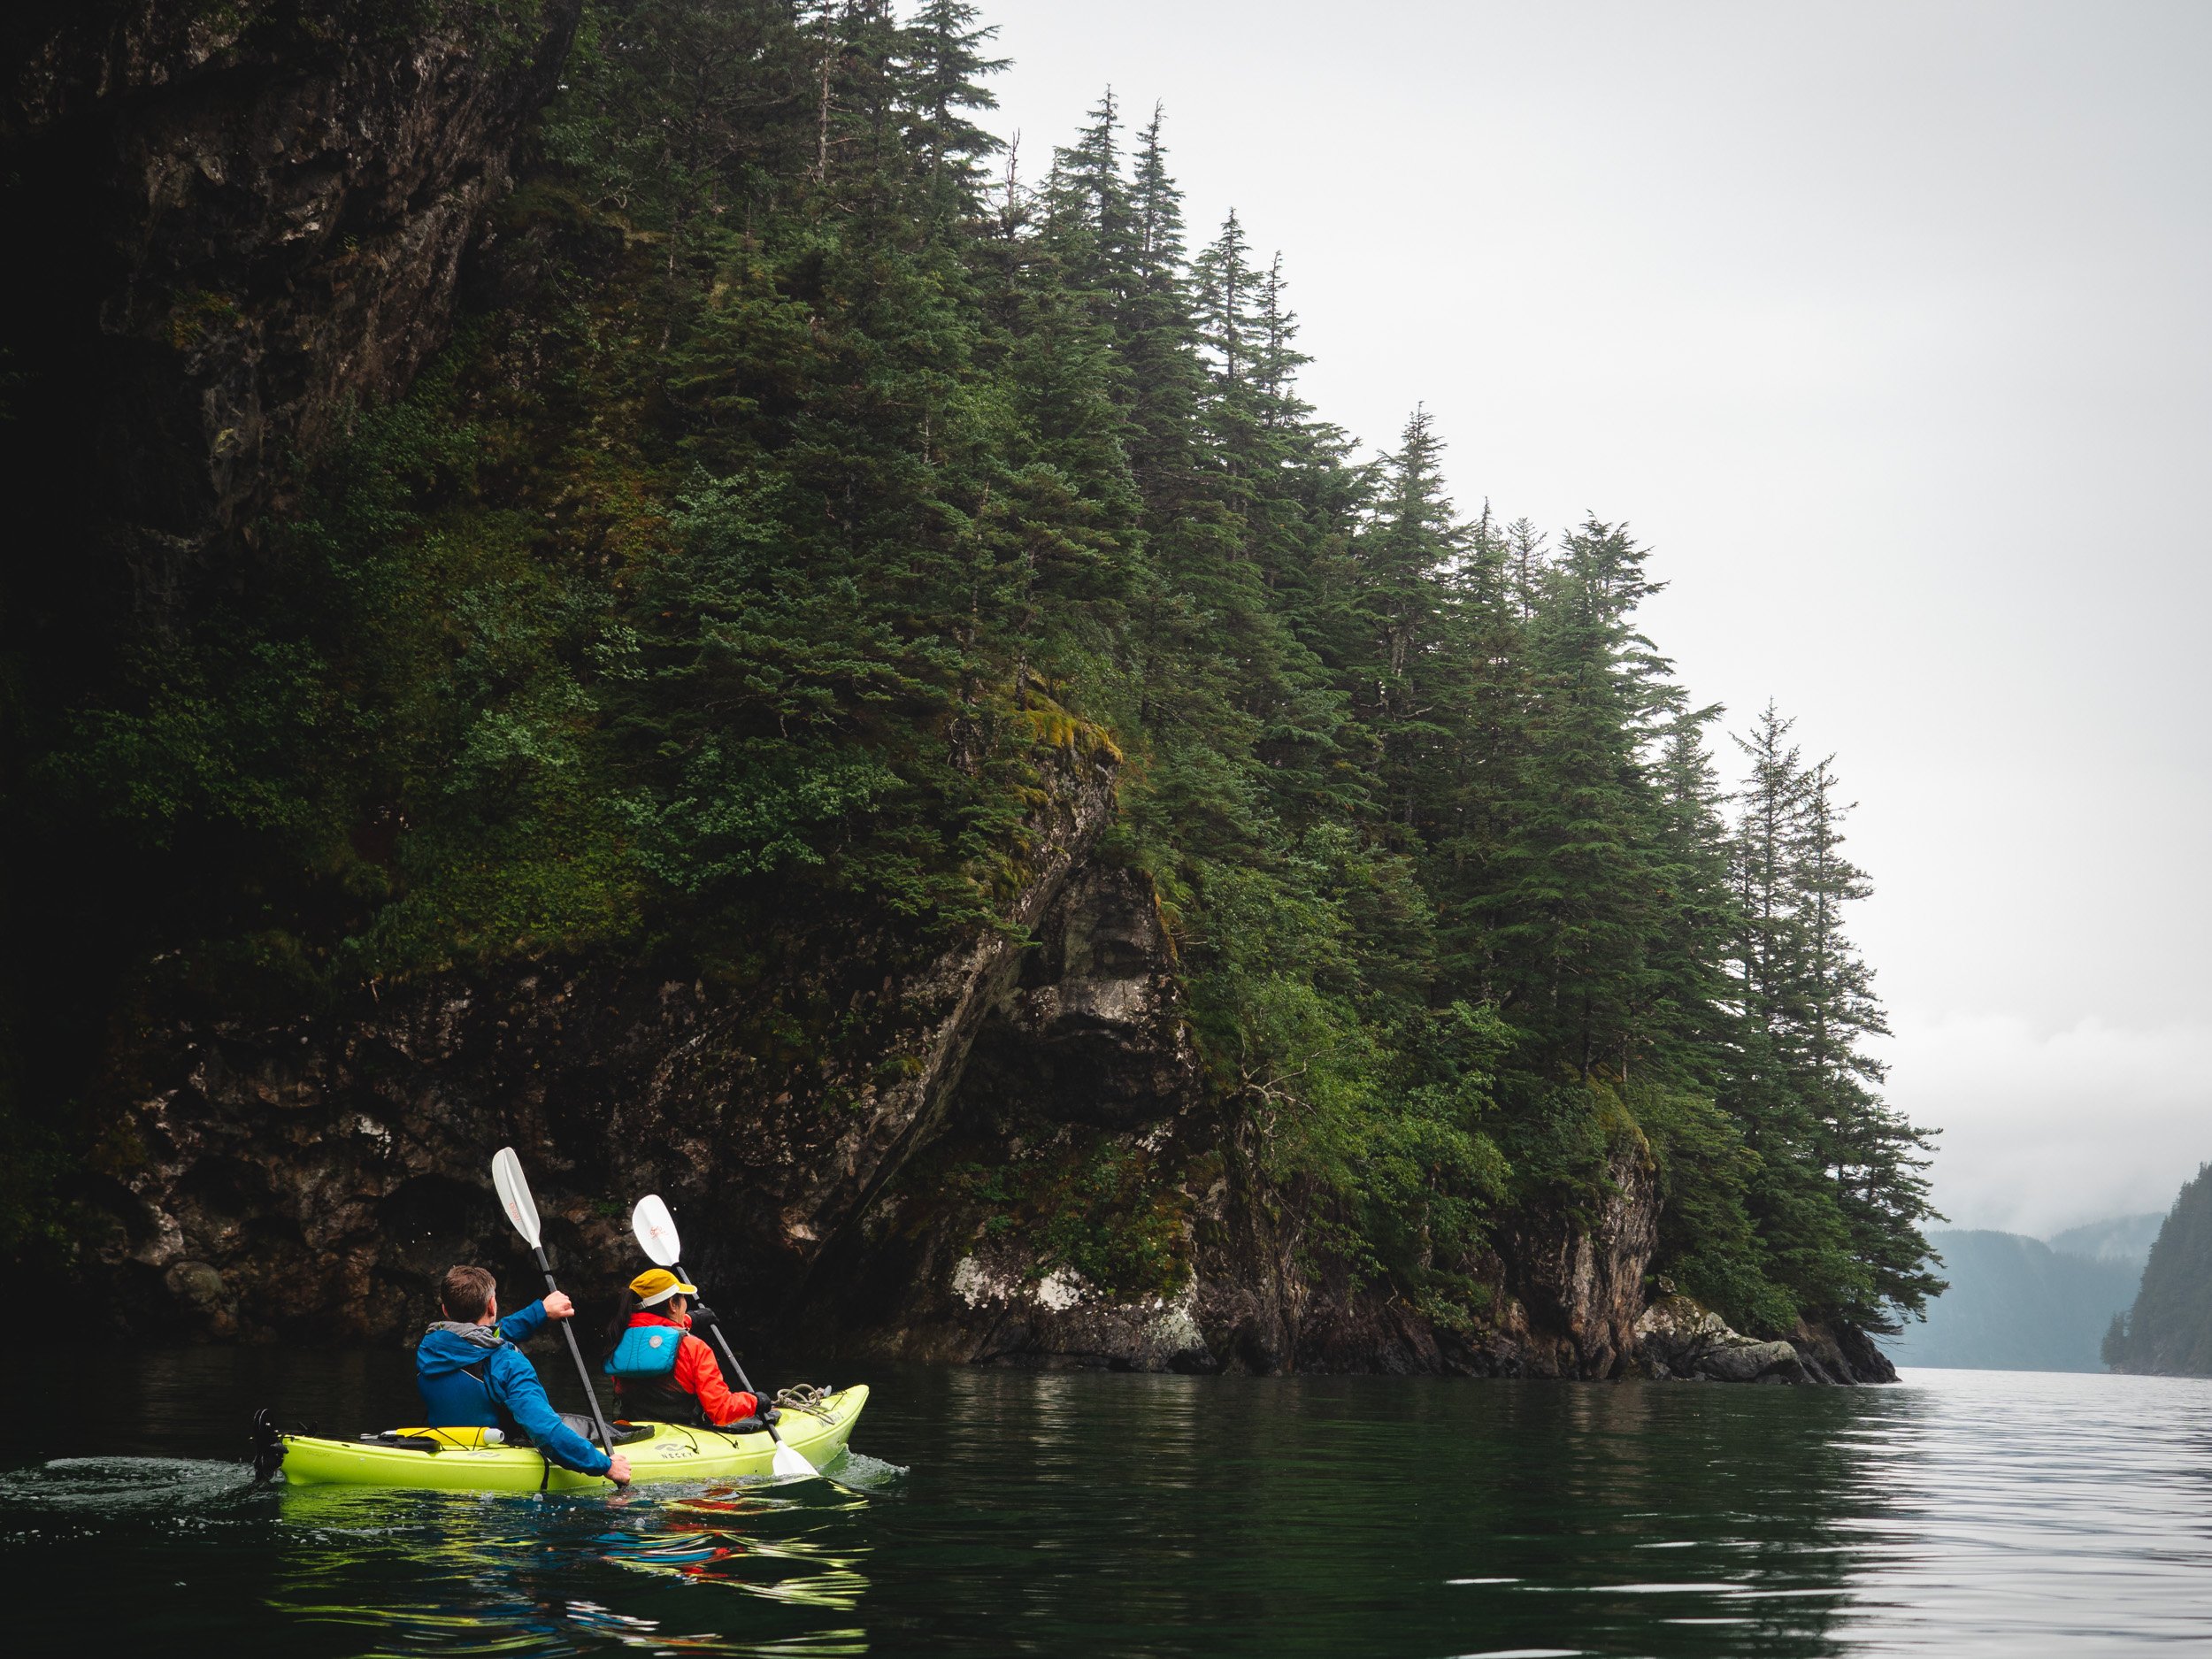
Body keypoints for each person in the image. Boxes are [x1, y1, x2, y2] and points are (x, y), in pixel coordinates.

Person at [416, 1263, 632, 1484]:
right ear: (492, 1305)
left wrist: (541, 1311)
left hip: (446, 1451)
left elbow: (486, 1336)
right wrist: (606, 1465)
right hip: (497, 1464)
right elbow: (545, 1432)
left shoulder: (429, 1349)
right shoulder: (507, 1363)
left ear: (445, 1310)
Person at [603, 1267, 766, 1428]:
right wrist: (755, 1401)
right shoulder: (693, 1347)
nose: (684, 1304)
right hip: (683, 1436)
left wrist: (690, 1319)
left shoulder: (618, 1339)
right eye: (682, 1298)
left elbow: (650, 1331)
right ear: (673, 1305)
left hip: (630, 1432)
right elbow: (720, 1411)